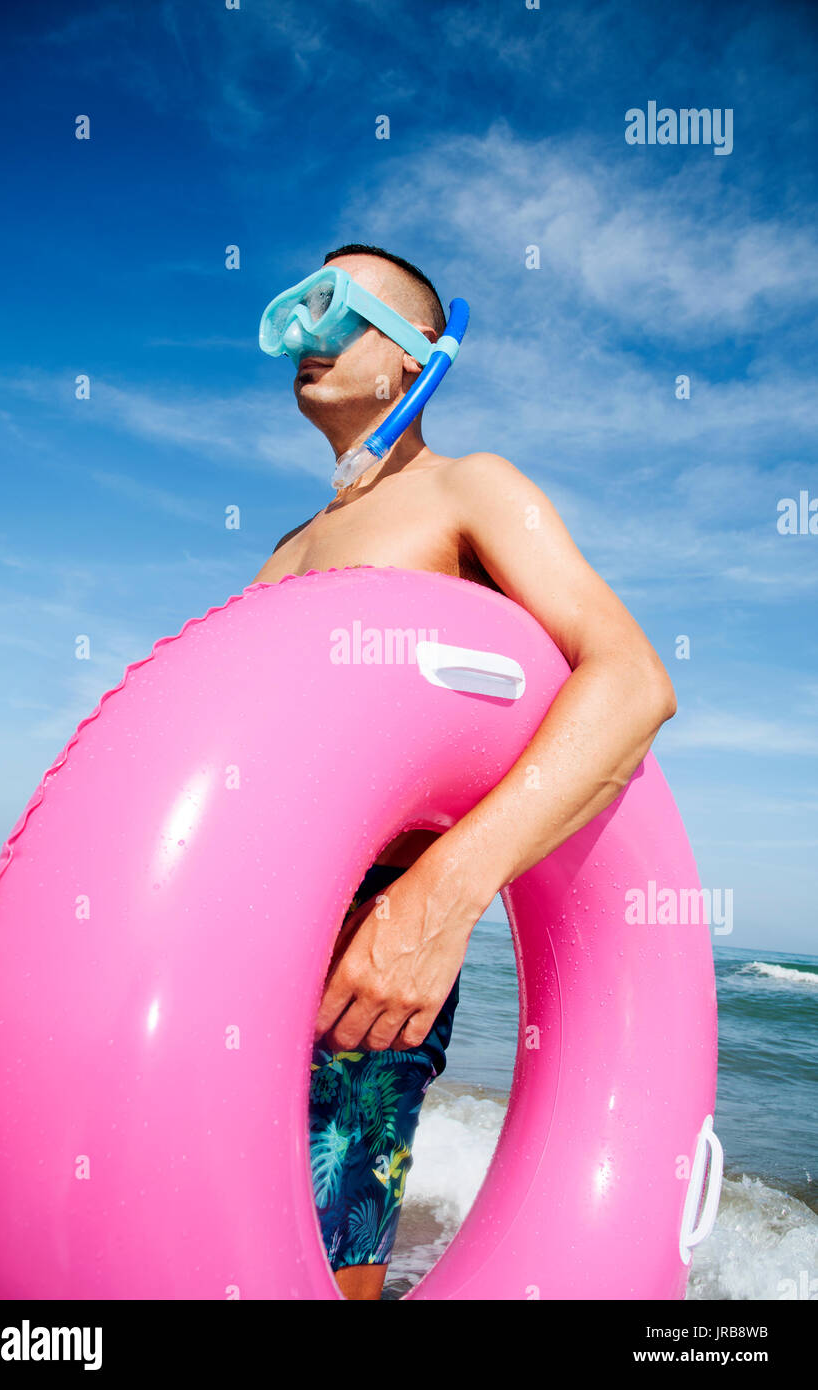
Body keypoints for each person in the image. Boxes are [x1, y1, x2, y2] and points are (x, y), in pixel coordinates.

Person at [252, 243, 677, 1300]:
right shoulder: (284, 548)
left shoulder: (468, 492)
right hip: (247, 944)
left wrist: (441, 895)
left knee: (315, 1261)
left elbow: (631, 682)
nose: (305, 338)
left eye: (335, 311)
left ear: (407, 362)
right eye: (294, 311)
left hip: (372, 948)